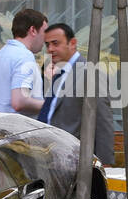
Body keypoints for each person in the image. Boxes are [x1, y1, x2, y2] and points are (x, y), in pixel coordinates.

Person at [39, 22, 115, 164]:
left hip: (75, 160)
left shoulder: (90, 73)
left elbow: (103, 119)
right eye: (47, 45)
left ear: (72, 43)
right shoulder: (59, 74)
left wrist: (105, 165)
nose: (50, 49)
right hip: (50, 158)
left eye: (55, 43)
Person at [0, 8, 46, 116]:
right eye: (44, 32)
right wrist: (50, 106)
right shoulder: (24, 56)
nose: (45, 39)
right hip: (18, 130)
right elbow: (19, 102)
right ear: (33, 30)